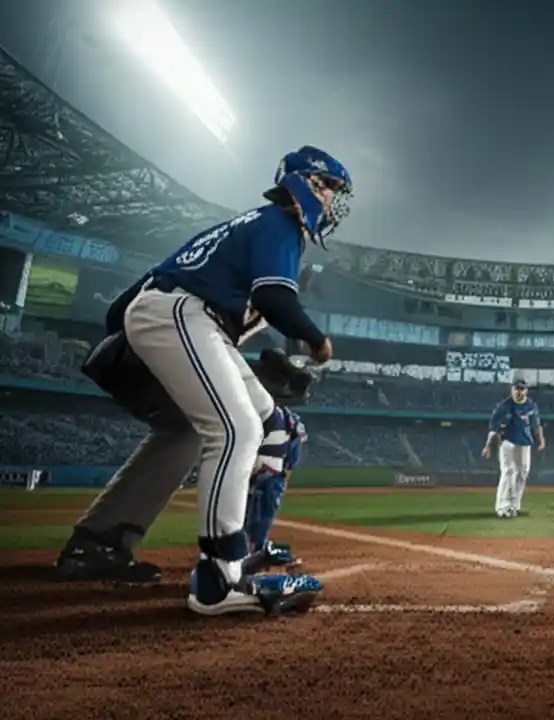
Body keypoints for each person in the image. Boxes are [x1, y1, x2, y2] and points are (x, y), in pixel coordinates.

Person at [55, 146, 349, 617]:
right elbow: (275, 297)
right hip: (179, 314)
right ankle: (220, 577)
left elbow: (164, 300)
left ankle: (103, 544)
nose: (333, 201)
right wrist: (316, 340)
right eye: (330, 188)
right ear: (308, 185)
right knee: (237, 429)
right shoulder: (279, 223)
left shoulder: (251, 230)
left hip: (185, 319)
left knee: (273, 428)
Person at [241, 407, 307, 574]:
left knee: (243, 512)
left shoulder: (248, 406)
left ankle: (239, 553)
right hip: (270, 473)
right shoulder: (289, 418)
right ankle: (253, 555)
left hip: (248, 471)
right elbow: (294, 453)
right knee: (261, 515)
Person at [483, 379, 545, 518]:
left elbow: (536, 424)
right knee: (509, 472)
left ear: (526, 391)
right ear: (512, 390)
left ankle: (514, 505)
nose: (519, 391)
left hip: (525, 442)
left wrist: (541, 439)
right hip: (508, 442)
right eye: (516, 389)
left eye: (521, 389)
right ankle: (502, 506)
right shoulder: (504, 405)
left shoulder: (531, 405)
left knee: (522, 473)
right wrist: (488, 445)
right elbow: (493, 426)